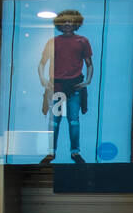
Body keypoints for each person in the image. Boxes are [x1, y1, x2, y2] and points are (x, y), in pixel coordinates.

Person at [38, 10, 94, 164]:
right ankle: (51, 152)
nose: (68, 24)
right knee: (54, 121)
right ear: (60, 24)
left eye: (71, 21)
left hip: (74, 86)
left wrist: (87, 81)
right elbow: (42, 63)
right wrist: (43, 79)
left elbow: (89, 64)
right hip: (56, 86)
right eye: (65, 21)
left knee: (73, 120)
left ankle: (75, 153)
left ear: (76, 23)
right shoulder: (53, 41)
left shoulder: (83, 41)